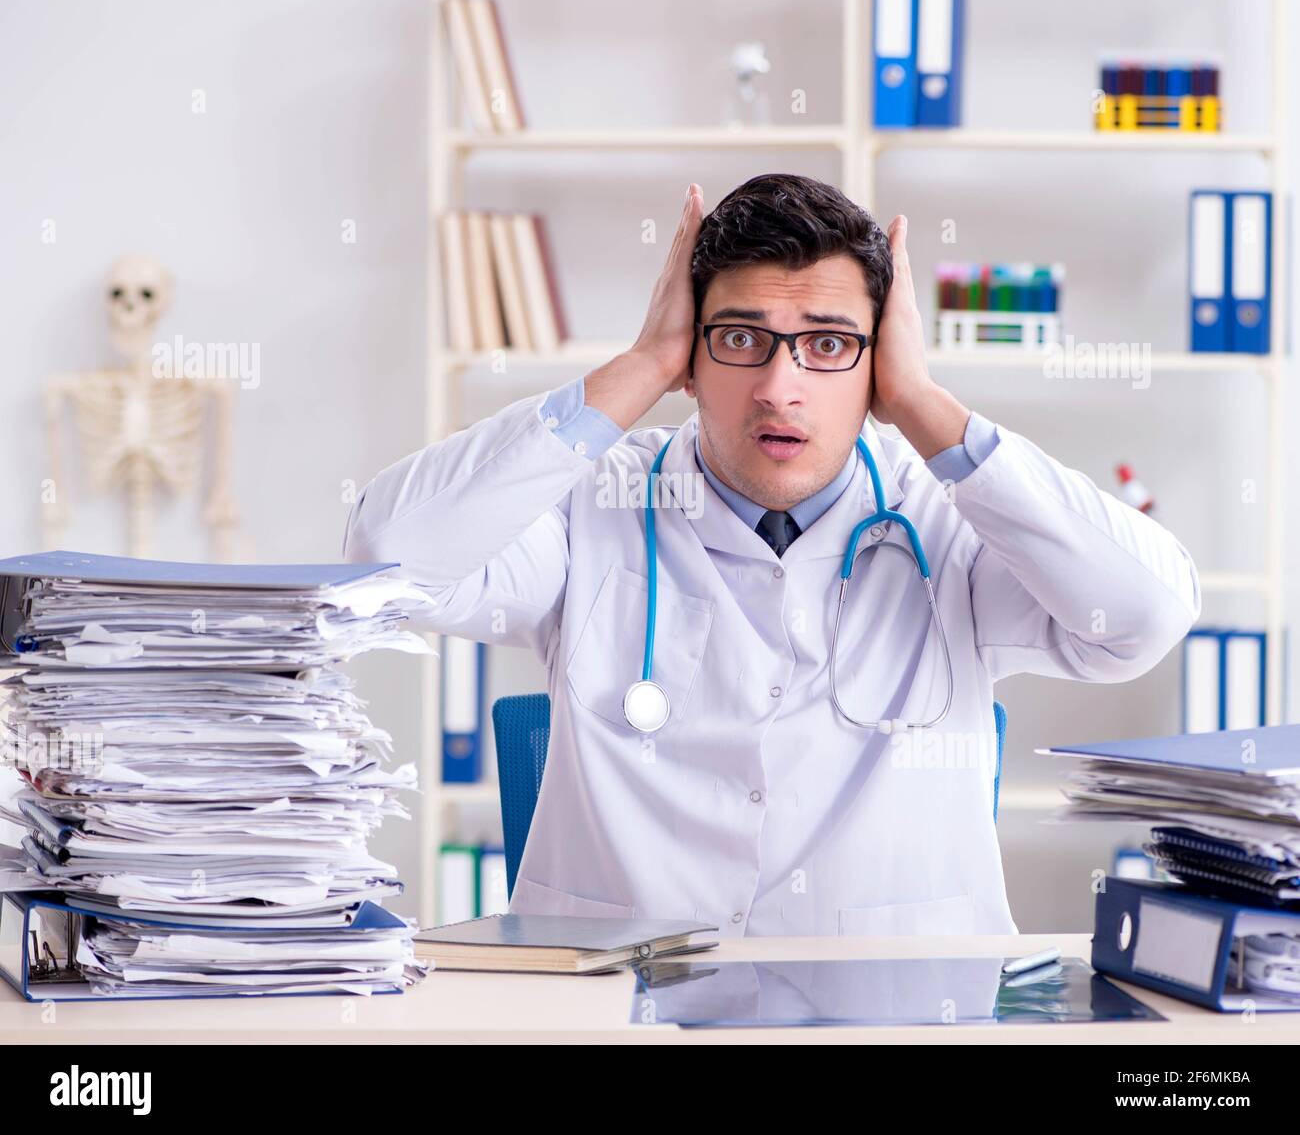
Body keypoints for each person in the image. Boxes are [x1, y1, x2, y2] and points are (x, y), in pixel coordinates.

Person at [344, 173, 1200, 936]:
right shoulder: (593, 504)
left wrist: (926, 405)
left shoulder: (946, 515)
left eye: (829, 344)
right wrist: (638, 365)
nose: (778, 386)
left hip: (895, 1014)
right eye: (741, 339)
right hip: (623, 1013)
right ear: (691, 358)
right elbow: (388, 557)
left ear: (878, 364)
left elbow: (1142, 618)